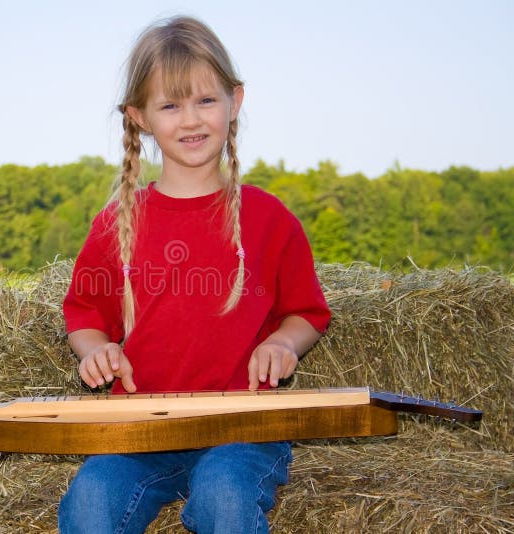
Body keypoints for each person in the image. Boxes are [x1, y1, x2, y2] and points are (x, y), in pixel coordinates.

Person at [59, 15, 331, 534]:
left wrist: (285, 345)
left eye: (206, 100)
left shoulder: (270, 219)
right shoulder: (116, 224)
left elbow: (306, 312)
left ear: (236, 100)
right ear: (139, 116)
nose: (191, 120)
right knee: (91, 499)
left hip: (244, 430)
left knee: (224, 498)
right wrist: (95, 351)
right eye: (170, 105)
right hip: (141, 430)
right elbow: (86, 316)